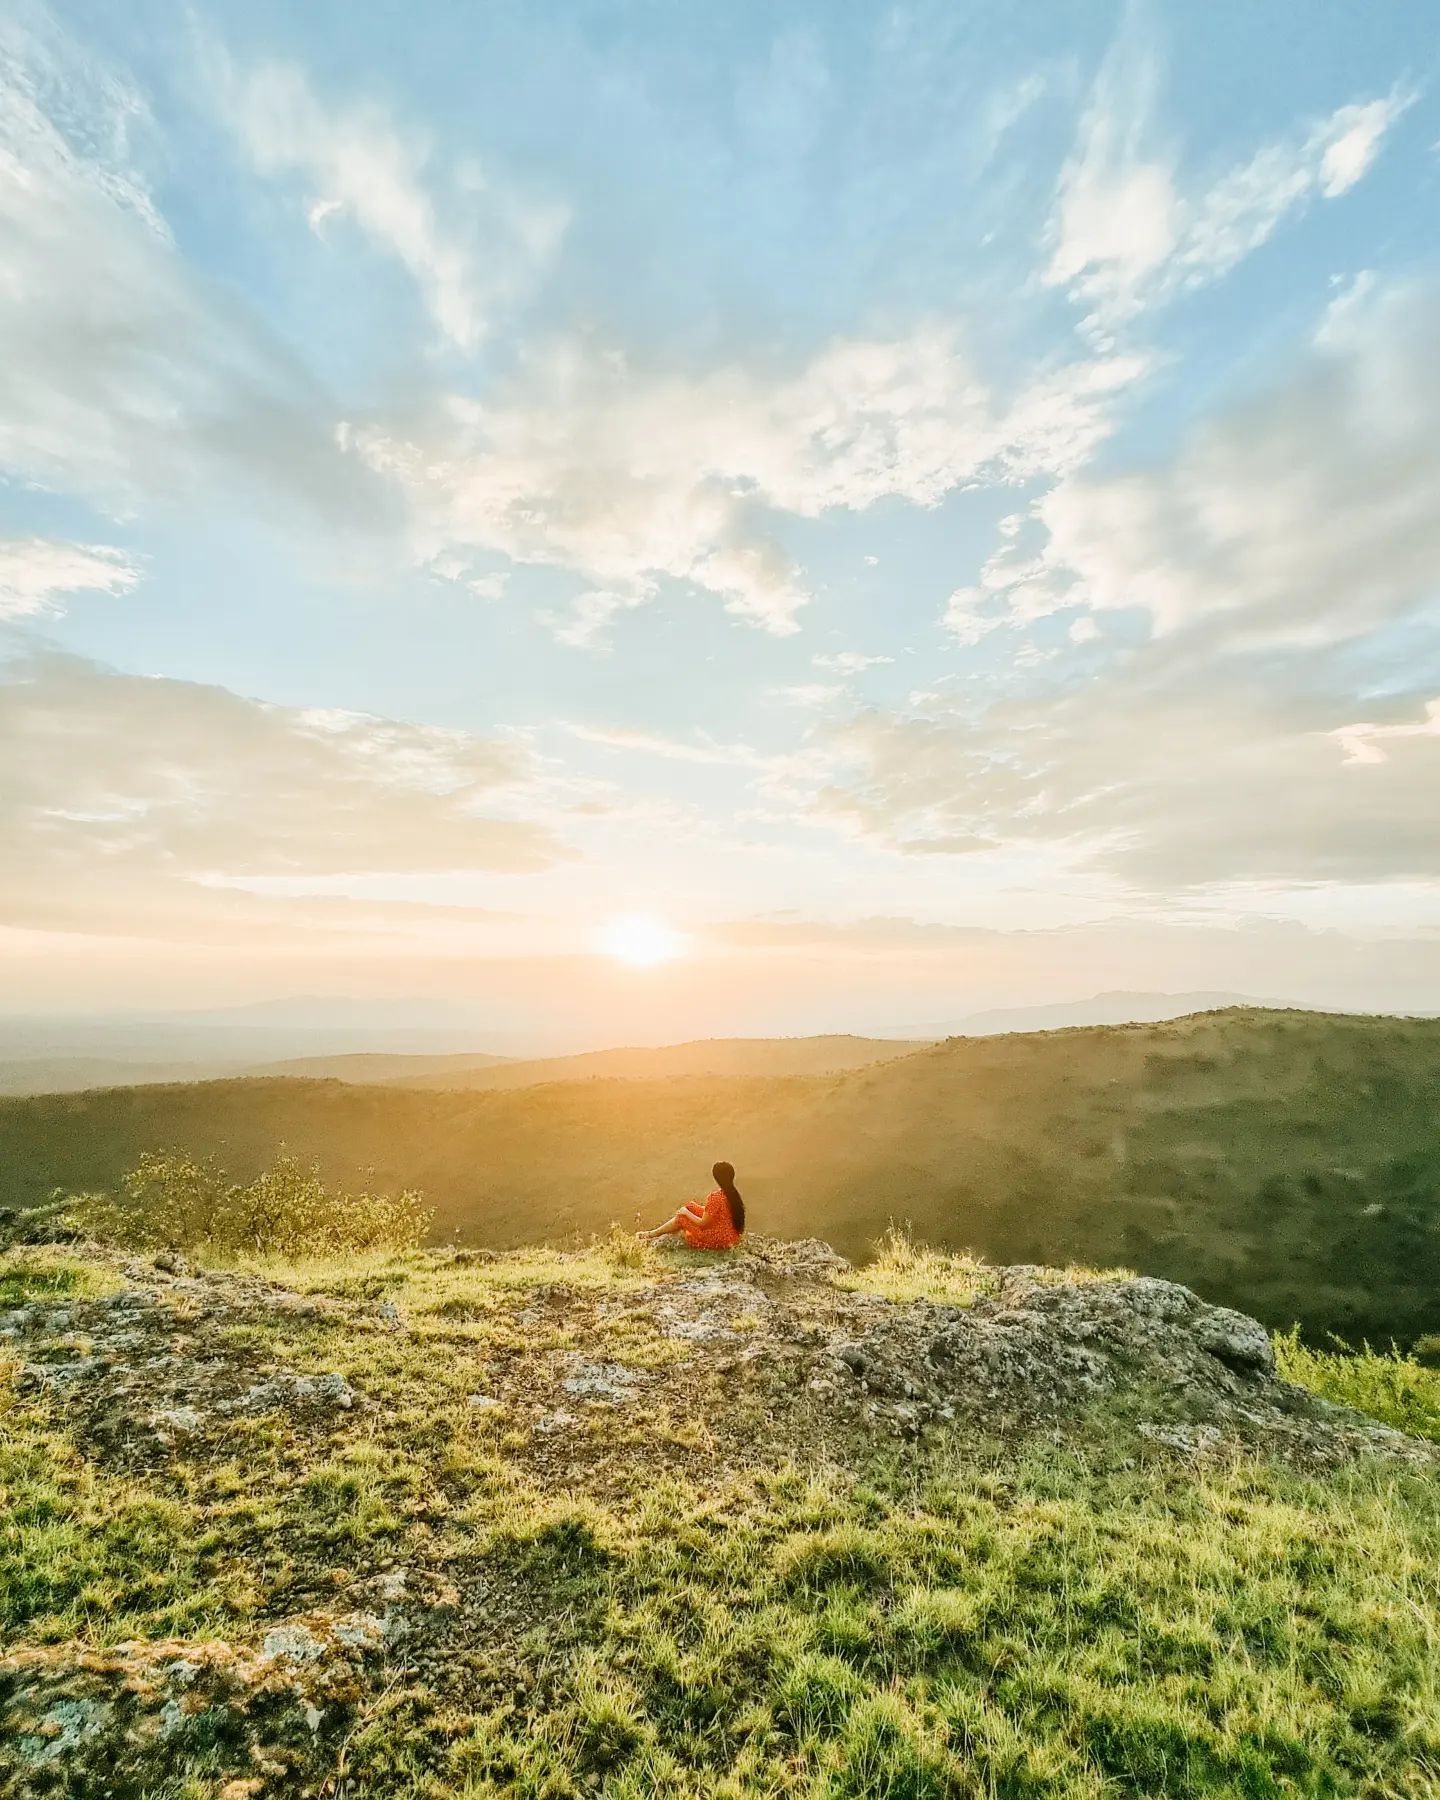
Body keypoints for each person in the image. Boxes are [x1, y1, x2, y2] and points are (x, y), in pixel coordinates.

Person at [639, 1161, 746, 1251]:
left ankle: (652, 1234)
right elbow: (719, 1213)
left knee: (682, 1218)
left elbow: (703, 1223)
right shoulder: (733, 1194)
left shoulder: (716, 1197)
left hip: (718, 1239)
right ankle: (656, 1233)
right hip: (731, 1236)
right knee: (691, 1206)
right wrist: (692, 1210)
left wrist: (686, 1213)